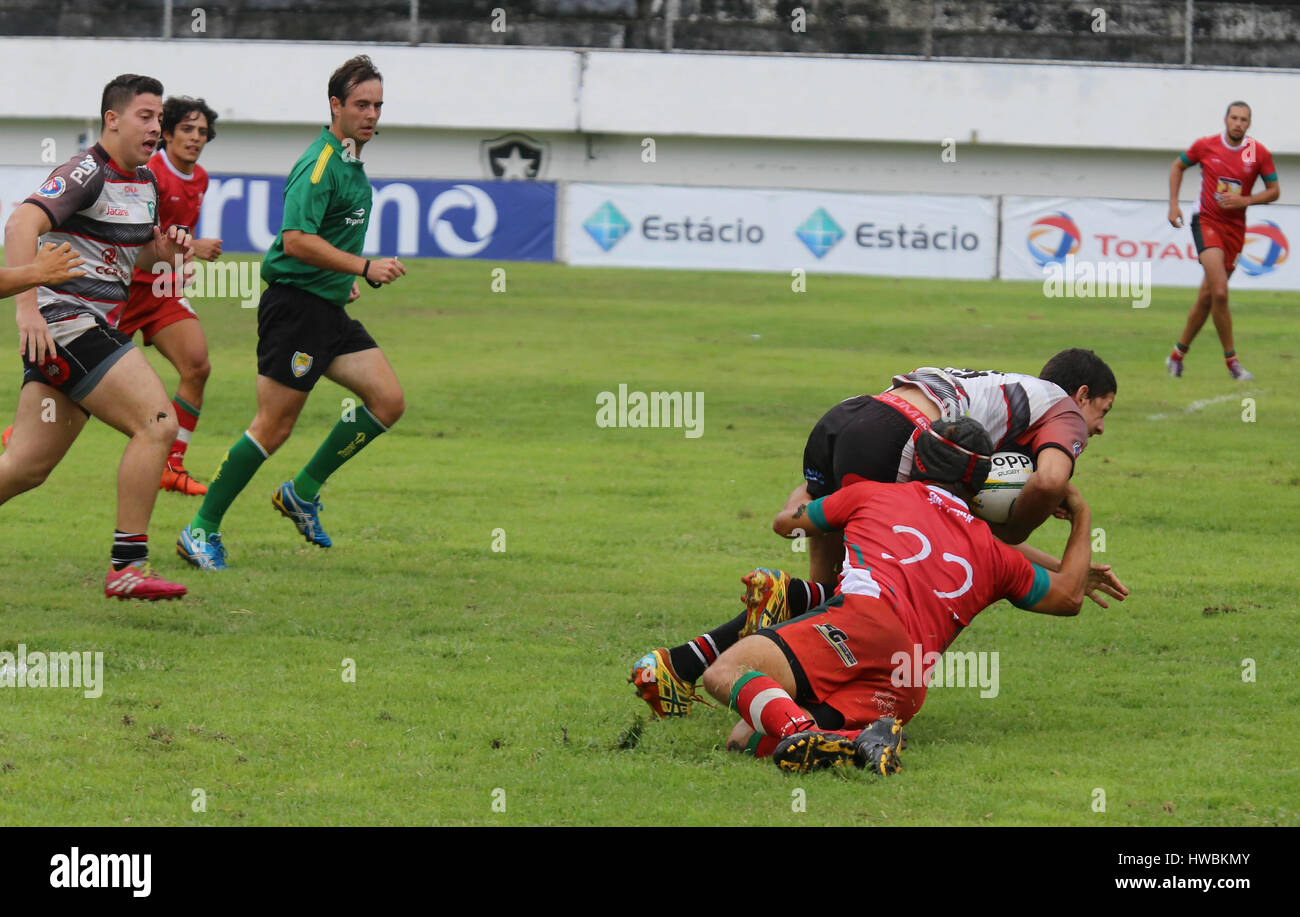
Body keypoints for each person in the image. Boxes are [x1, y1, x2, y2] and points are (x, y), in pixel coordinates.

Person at [629, 349, 1124, 717]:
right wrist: (1030, 522)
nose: (1098, 428)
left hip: (848, 419)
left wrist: (1060, 566)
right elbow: (1050, 481)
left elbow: (957, 531)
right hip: (901, 440)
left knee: (836, 596)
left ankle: (678, 665)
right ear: (1081, 395)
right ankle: (780, 660)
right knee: (843, 599)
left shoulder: (1005, 394)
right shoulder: (1061, 408)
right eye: (1103, 411)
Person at [695, 417, 1094, 774]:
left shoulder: (873, 494)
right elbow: (1069, 596)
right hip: (905, 682)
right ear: (981, 482)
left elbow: (787, 525)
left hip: (861, 623)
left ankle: (804, 730)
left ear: (918, 460)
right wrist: (1080, 515)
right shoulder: (996, 554)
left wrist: (808, 488)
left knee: (725, 671)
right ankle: (861, 741)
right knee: (743, 739)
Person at [177, 55, 406, 571]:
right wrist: (363, 266)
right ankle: (200, 529)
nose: (371, 115)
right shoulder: (321, 162)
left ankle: (301, 492)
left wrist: (341, 277)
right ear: (335, 106)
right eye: (361, 104)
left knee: (388, 400)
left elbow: (323, 239)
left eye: (377, 106)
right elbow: (296, 240)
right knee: (273, 427)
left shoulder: (349, 161)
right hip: (295, 311)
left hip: (326, 307)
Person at [1, 73, 192, 600]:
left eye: (160, 118)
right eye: (146, 117)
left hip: (86, 330)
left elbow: (134, 255)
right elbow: (20, 224)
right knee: (157, 424)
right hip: (67, 324)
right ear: (112, 120)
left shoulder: (146, 182)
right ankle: (127, 567)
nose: (158, 128)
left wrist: (168, 251)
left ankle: (127, 568)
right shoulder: (87, 170)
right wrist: (27, 310)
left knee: (24, 468)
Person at [108, 95, 224, 496]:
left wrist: (182, 261)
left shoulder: (201, 178)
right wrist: (194, 247)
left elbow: (174, 240)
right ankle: (24, 435)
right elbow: (142, 235)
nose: (195, 138)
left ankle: (171, 464)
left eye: (203, 132)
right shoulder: (149, 172)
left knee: (197, 366)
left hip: (161, 290)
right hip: (124, 290)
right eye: (187, 130)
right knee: (83, 382)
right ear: (168, 133)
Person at [1166, 101, 1279, 381]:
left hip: (1234, 230)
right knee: (1219, 292)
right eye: (1234, 118)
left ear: (1249, 124)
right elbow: (1178, 166)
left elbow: (1274, 190)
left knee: (1207, 297)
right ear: (1225, 120)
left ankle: (1177, 356)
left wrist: (1246, 200)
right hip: (1206, 221)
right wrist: (1173, 204)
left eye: (1243, 119)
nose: (1238, 123)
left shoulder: (1258, 152)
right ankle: (1233, 363)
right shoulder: (1206, 146)